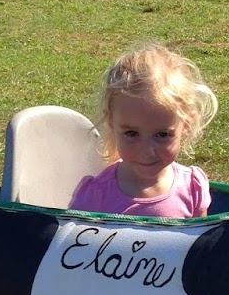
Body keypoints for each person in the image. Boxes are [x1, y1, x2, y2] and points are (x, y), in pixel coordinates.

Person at [68, 42, 218, 218]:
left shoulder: (192, 187)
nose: (147, 151)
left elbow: (200, 244)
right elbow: (74, 244)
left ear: (185, 124)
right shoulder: (94, 197)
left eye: (162, 135)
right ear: (111, 123)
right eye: (132, 134)